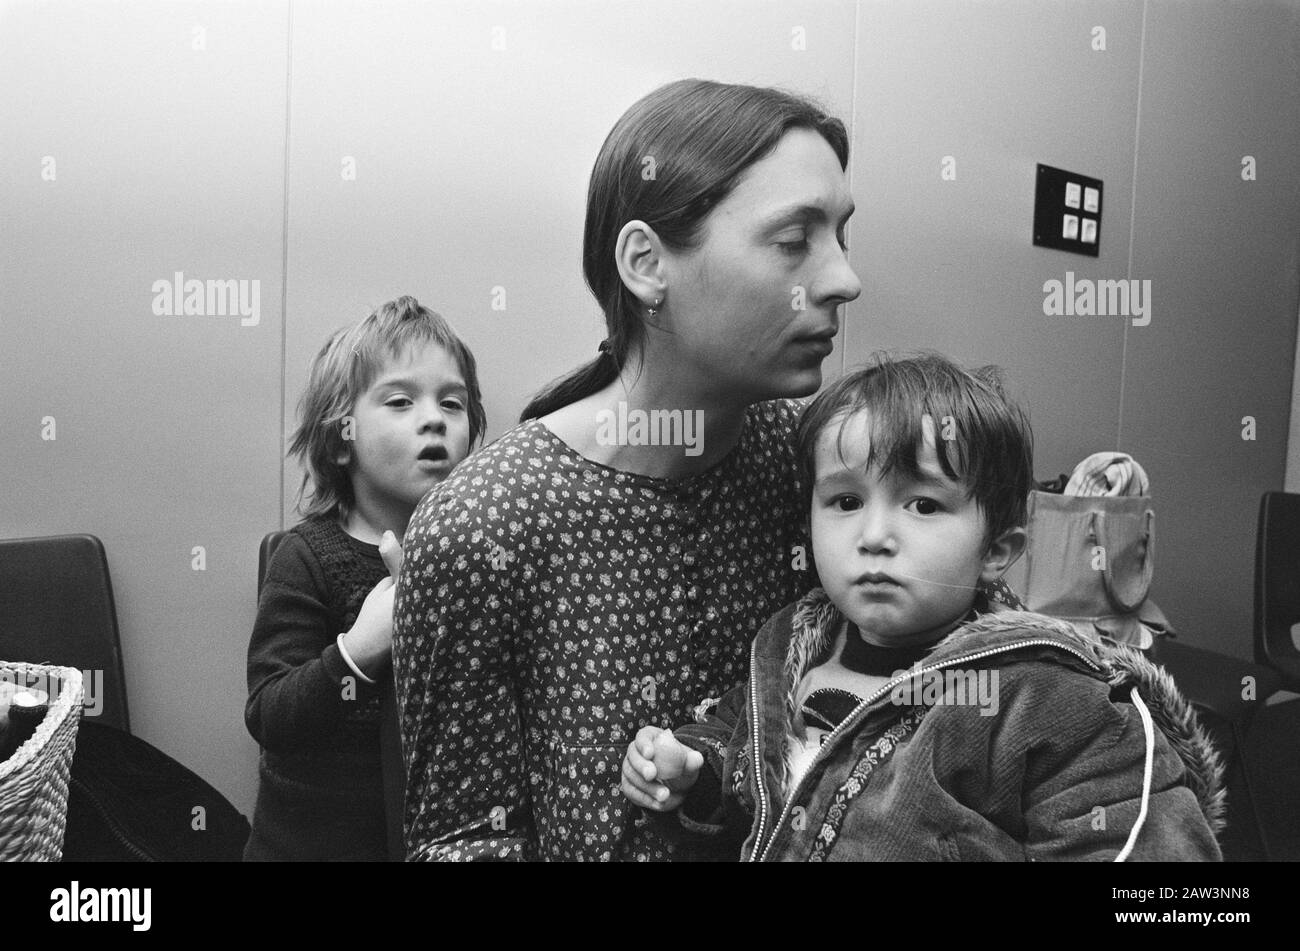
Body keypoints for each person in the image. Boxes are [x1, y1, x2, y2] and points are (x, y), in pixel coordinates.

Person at [391, 78, 864, 861]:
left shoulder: (825, 470)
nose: (845, 278)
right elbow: (463, 842)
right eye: (794, 241)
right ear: (647, 264)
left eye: (843, 236)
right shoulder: (484, 524)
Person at [620, 353, 1225, 861]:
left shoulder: (1047, 699)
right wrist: (690, 768)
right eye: (846, 500)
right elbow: (737, 754)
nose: (874, 535)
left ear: (997, 550)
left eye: (924, 505)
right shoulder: (785, 654)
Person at [243, 295, 484, 861]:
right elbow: (270, 714)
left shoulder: (479, 557)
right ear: (341, 434)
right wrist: (360, 649)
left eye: (453, 403)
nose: (434, 418)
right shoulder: (307, 557)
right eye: (400, 401)